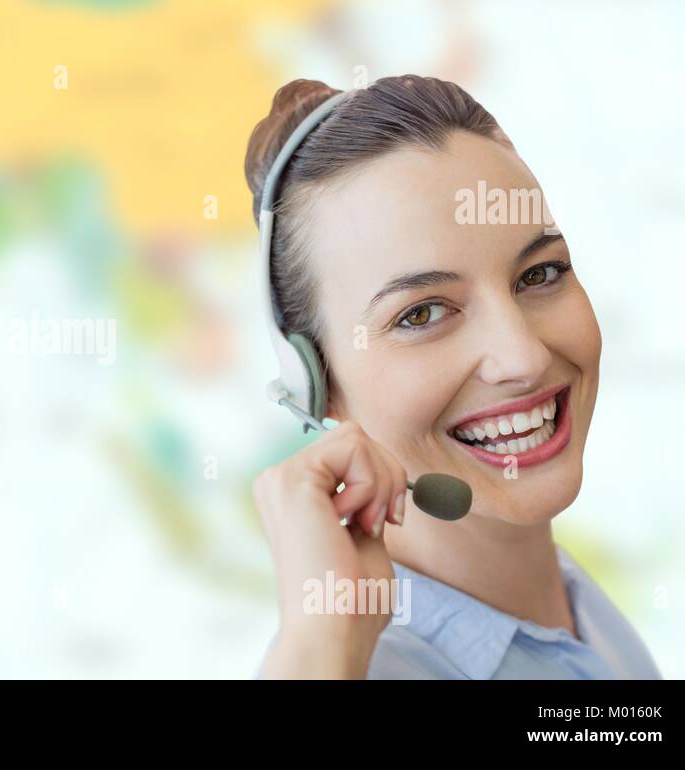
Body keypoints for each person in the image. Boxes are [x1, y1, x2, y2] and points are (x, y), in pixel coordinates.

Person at [246, 76, 661, 679]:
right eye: (422, 313)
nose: (522, 357)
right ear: (316, 383)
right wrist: (321, 650)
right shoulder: (355, 665)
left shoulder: (573, 603)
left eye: (540, 274)